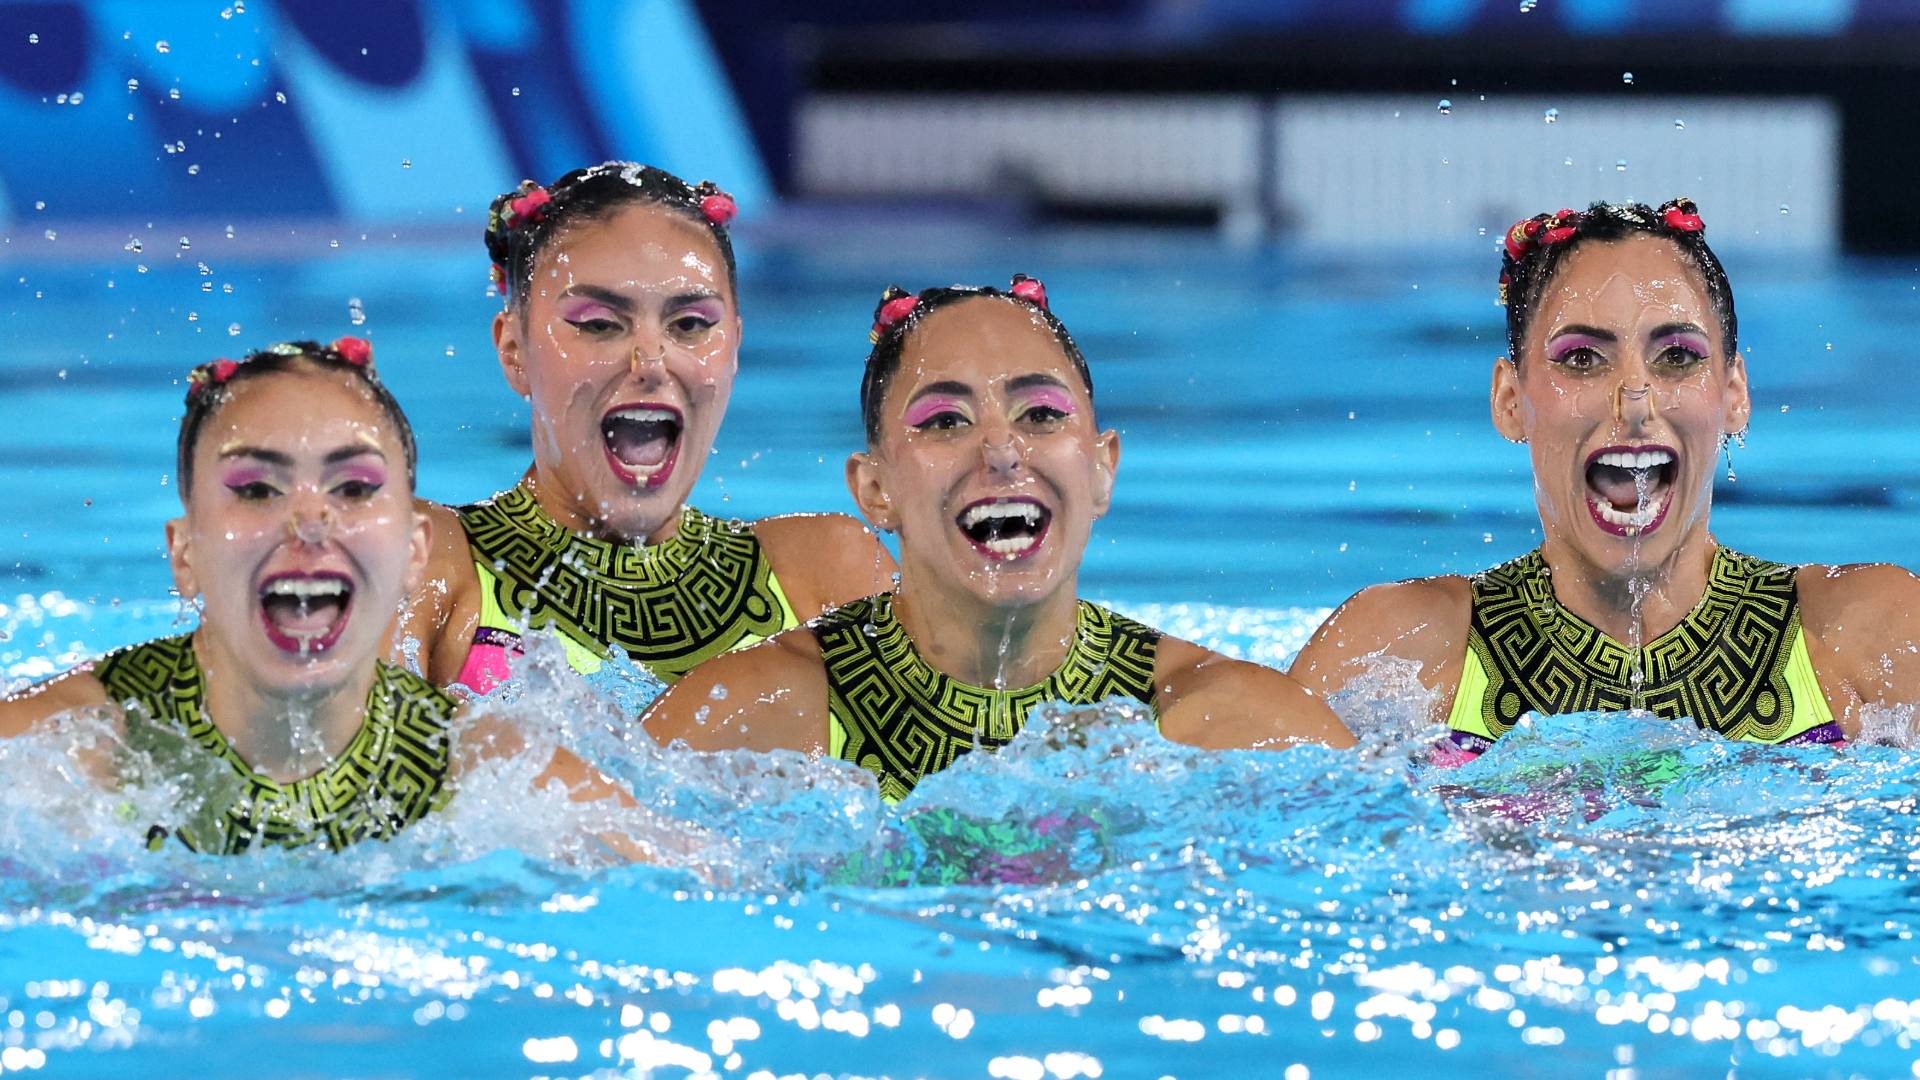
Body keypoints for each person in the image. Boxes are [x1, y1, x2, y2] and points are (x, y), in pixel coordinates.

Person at [646, 276, 1354, 801]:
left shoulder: (1234, 724)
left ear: (1102, 470)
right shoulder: (754, 716)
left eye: (1040, 414)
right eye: (945, 421)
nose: (1002, 451)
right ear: (874, 490)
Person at [1290, 199, 1920, 757]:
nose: (1635, 399)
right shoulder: (1400, 652)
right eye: (1583, 359)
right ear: (1510, 400)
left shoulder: (1871, 637)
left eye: (1677, 356)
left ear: (1734, 394)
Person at [0, 340, 636, 854]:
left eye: (353, 488)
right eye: (256, 489)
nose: (309, 523)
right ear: (185, 554)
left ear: (415, 552)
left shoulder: (493, 776)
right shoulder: (58, 753)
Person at [398, 162, 894, 694]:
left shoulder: (821, 580)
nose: (651, 361)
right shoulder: (426, 559)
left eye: (690, 325)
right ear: (514, 350)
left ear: (734, 348)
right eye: (598, 324)